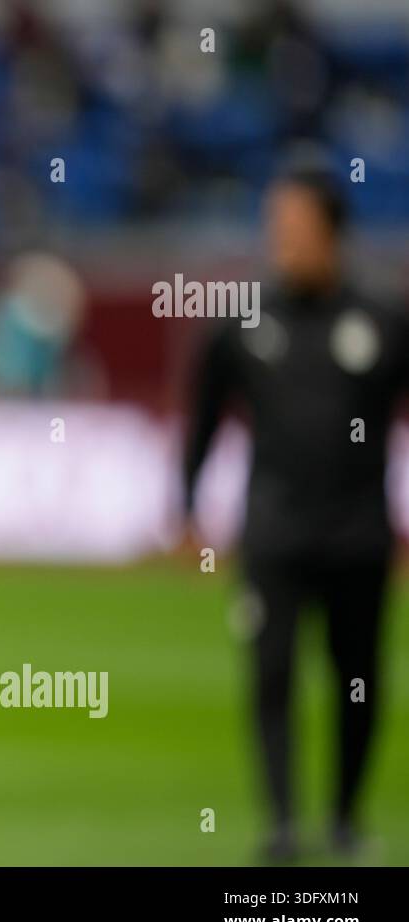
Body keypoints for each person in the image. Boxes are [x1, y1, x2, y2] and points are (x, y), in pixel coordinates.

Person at [182, 155, 407, 863]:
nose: (283, 238)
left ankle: (343, 817)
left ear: (333, 231)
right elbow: (205, 417)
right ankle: (282, 823)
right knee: (272, 672)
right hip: (273, 534)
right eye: (276, 224)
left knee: (359, 678)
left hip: (360, 536)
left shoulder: (383, 319)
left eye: (296, 225)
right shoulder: (245, 323)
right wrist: (187, 500)